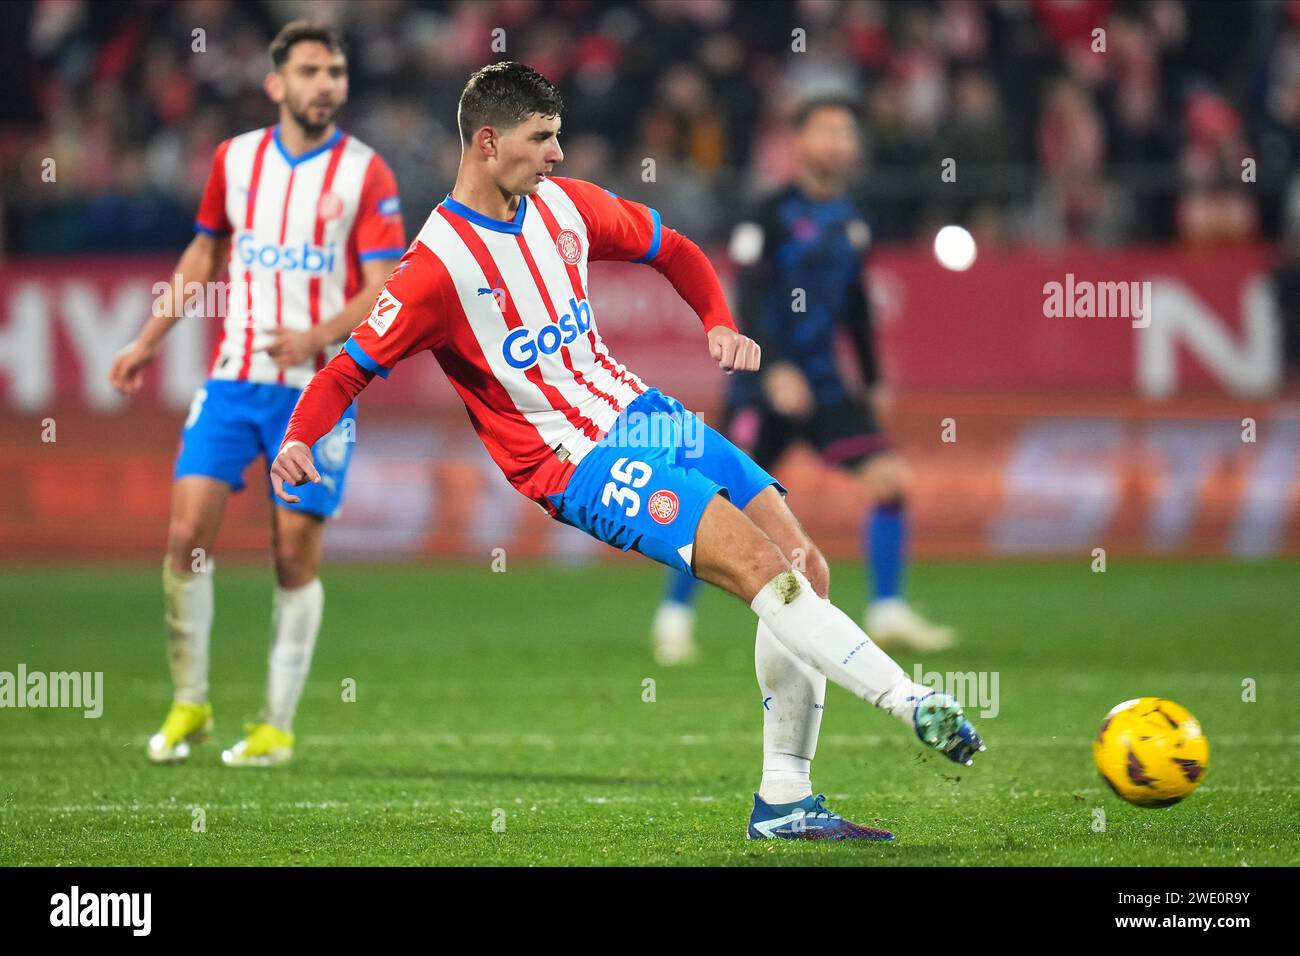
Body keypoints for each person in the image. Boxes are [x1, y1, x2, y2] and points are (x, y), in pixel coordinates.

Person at [270, 62, 983, 840]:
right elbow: (347, 370)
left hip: (640, 414)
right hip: (569, 458)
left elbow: (672, 248)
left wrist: (715, 320)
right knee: (763, 572)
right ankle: (910, 700)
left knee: (805, 564)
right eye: (542, 138)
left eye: (558, 136)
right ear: (487, 141)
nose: (558, 155)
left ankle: (785, 798)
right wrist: (299, 439)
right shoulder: (435, 269)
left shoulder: (565, 208)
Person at [109, 21, 406, 768]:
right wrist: (147, 340)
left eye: (335, 71)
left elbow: (384, 290)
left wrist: (317, 338)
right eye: (310, 71)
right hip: (233, 382)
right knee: (185, 539)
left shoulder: (366, 173)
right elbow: (206, 250)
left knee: (291, 556)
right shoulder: (234, 160)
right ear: (276, 84)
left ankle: (274, 723)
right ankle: (189, 705)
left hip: (318, 392)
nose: (325, 84)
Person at [652, 97, 955, 667]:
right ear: (799, 144)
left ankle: (888, 608)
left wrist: (871, 377)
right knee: (708, 499)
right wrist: (772, 369)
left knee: (889, 479)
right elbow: (747, 293)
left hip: (825, 385)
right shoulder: (766, 214)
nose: (841, 142)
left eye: (848, 131)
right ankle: (674, 618)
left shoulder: (852, 219)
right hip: (763, 385)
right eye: (828, 131)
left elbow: (858, 307)